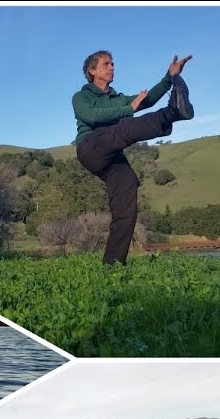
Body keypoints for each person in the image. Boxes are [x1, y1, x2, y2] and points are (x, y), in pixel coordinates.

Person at [72, 51, 194, 265]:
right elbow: (92, 116)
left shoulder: (117, 98)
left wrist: (169, 77)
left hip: (112, 155)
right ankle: (171, 113)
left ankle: (113, 265)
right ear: (92, 71)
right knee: (123, 126)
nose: (112, 67)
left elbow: (145, 100)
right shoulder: (82, 97)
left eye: (113, 64)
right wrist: (129, 109)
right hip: (90, 148)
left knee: (127, 192)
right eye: (106, 64)